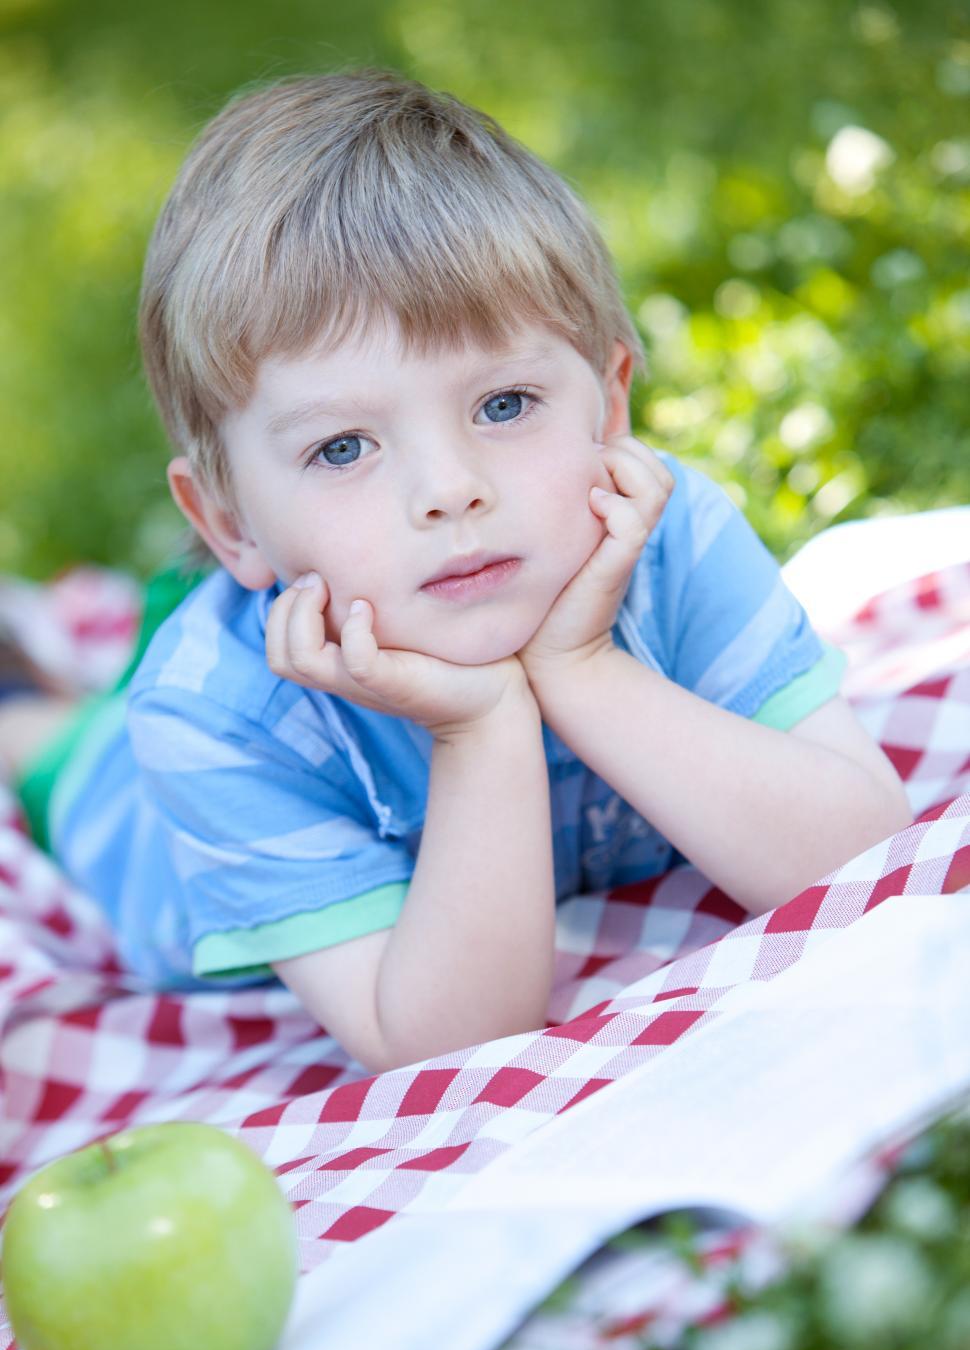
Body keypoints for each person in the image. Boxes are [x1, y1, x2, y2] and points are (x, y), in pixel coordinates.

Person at [0, 70, 911, 1073]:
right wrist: (477, 726)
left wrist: (585, 667)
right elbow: (447, 1045)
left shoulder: (670, 539)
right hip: (140, 808)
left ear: (608, 407)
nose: (449, 490)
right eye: (342, 449)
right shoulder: (216, 715)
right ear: (229, 520)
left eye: (504, 404)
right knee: (60, 746)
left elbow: (862, 856)